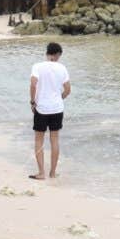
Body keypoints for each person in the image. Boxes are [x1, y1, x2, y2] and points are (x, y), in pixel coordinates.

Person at [28, 42, 71, 180]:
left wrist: (33, 101)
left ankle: (41, 173)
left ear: (47, 53)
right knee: (55, 140)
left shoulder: (37, 66)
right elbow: (68, 90)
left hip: (41, 108)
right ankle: (52, 172)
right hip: (57, 109)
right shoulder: (62, 68)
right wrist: (60, 98)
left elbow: (33, 84)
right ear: (57, 54)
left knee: (39, 140)